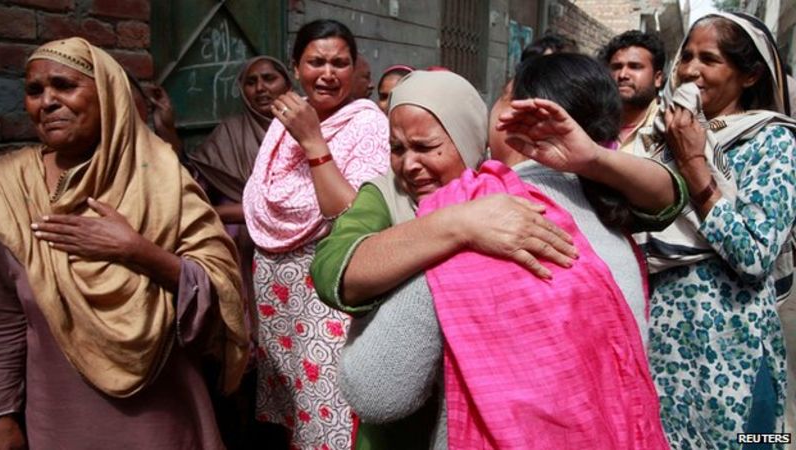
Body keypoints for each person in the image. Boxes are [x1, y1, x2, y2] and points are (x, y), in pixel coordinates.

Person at [312, 68, 682, 448]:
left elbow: (667, 199)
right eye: (397, 148)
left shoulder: (522, 200)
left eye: (425, 147)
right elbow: (332, 270)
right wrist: (453, 224)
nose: (409, 165)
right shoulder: (389, 195)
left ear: (470, 135)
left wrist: (589, 160)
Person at [0, 37, 248, 449]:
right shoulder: (9, 187)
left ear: (108, 95)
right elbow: (4, 315)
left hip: (160, 414)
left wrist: (137, 251)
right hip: (59, 414)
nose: (48, 101)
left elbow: (223, 291)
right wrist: (3, 414)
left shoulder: (161, 179)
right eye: (35, 91)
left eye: (64, 86)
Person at [634, 12, 796, 447]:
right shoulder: (659, 135)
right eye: (687, 56)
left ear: (750, 75)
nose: (690, 70)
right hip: (663, 350)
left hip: (735, 356)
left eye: (710, 59)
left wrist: (694, 166)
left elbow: (756, 254)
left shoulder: (773, 143)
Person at [242, 19, 390, 449]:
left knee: (328, 411)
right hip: (280, 297)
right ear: (296, 66)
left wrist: (312, 140)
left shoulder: (367, 125)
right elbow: (264, 195)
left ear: (354, 67)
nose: (327, 73)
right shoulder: (282, 119)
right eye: (316, 62)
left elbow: (348, 210)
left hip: (324, 294)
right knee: (293, 411)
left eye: (340, 63)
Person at [188, 55, 292, 449]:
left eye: (270, 78)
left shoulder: (302, 130)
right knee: (244, 352)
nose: (261, 88)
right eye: (251, 81)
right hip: (240, 256)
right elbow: (195, 193)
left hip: (287, 255)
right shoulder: (228, 133)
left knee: (285, 346)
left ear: (287, 81)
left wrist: (238, 211)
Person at [599, 30, 666, 153]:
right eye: (616, 67)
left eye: (635, 67)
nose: (623, 75)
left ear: (657, 78)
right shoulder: (594, 126)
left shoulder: (669, 127)